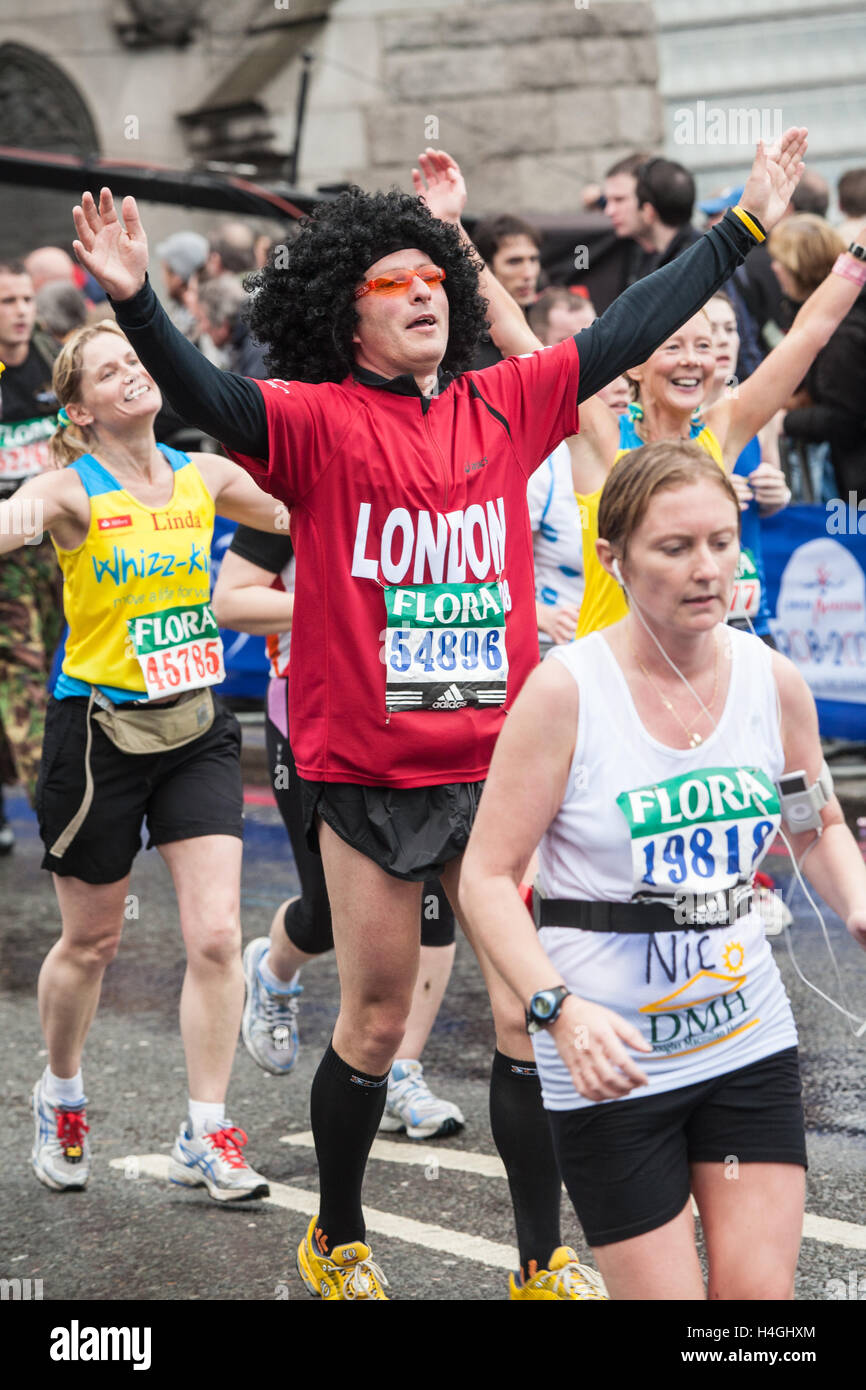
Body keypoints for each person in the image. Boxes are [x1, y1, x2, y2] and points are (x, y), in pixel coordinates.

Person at [72, 127, 807, 1300]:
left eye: (433, 282)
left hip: (499, 763)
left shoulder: (506, 401)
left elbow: (624, 325)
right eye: (390, 285)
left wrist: (744, 225)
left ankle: (537, 1256)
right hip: (364, 766)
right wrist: (138, 303)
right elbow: (207, 392)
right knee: (371, 1019)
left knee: (524, 1015)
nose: (420, 297)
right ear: (343, 317)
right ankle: (340, 1233)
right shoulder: (308, 421)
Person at [459, 441, 866, 1299]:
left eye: (722, 542)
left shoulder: (771, 680)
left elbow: (814, 822)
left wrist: (859, 904)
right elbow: (487, 880)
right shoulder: (567, 693)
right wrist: (558, 1014)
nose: (706, 568)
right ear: (615, 557)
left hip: (744, 1035)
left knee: (759, 1309)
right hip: (610, 1057)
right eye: (675, 548)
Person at [1, 320, 290, 1202]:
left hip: (196, 728)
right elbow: (16, 519)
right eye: (108, 370)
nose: (131, 373)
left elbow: (298, 512)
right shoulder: (68, 492)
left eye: (135, 360)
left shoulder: (206, 476)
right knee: (93, 941)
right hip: (98, 736)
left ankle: (205, 1130)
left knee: (211, 937)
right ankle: (61, 1092)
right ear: (80, 410)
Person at [212, 524, 465, 1140]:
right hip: (314, 709)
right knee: (329, 915)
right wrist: (335, 601)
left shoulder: (448, 473)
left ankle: (403, 1068)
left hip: (423, 697)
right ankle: (273, 971)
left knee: (432, 892)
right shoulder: (304, 475)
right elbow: (232, 600)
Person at [565, 211, 866, 640]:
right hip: (613, 678)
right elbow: (515, 335)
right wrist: (449, 229)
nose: (693, 360)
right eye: (674, 346)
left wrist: (859, 253)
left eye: (704, 346)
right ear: (633, 366)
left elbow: (808, 335)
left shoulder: (722, 427)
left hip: (704, 668)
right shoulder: (602, 434)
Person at [0, 259, 64, 853]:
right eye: (5, 302)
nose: (19, 311)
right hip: (4, 559)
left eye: (24, 299)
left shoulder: (49, 356)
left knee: (39, 667)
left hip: (53, 546)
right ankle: (57, 819)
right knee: (22, 676)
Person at [767, 214, 866, 496]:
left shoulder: (843, 329)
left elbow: (846, 417)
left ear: (801, 269)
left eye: (780, 261)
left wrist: (783, 422)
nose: (774, 268)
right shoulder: (832, 314)